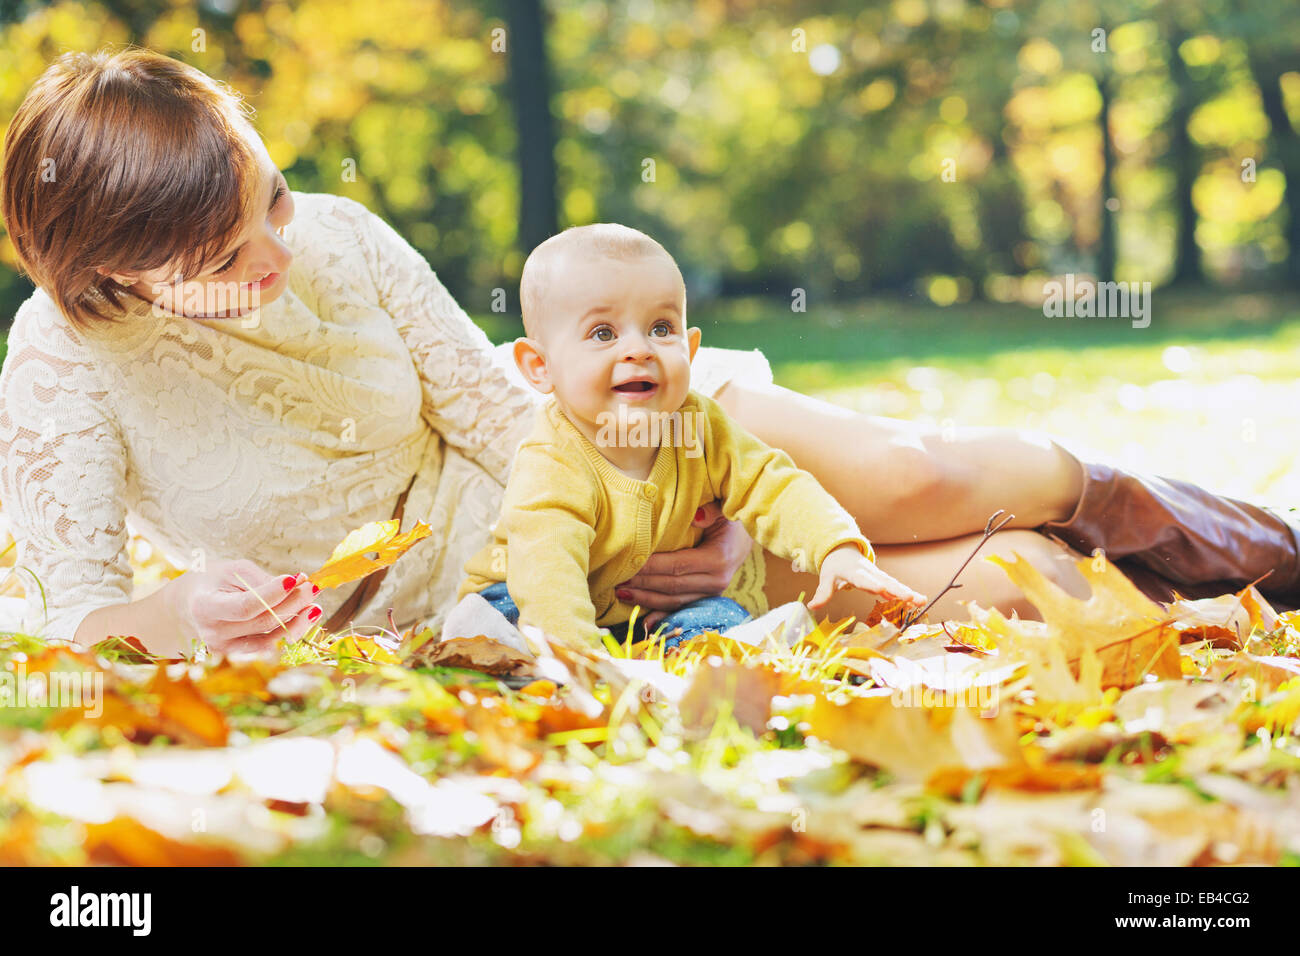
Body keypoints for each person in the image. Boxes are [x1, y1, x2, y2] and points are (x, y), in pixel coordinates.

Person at [1, 48, 1297, 659]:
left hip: (630, 450)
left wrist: (643, 511)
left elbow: (493, 409)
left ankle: (1274, 549)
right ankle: (1222, 599)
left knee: (925, 476)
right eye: (227, 263)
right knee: (1011, 588)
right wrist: (179, 614)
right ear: (118, 275)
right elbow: (73, 620)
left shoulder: (336, 237)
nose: (277, 254)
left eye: (271, 200)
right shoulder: (62, 365)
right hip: (518, 592)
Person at [456, 223, 925, 648]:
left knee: (718, 620)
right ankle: (501, 640)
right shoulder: (552, 462)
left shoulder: (697, 427)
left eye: (661, 328)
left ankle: (729, 652)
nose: (638, 349)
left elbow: (772, 482)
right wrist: (584, 664)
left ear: (690, 348)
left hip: (649, 612)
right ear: (540, 367)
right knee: (506, 625)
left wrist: (834, 547)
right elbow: (547, 580)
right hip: (528, 596)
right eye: (603, 333)